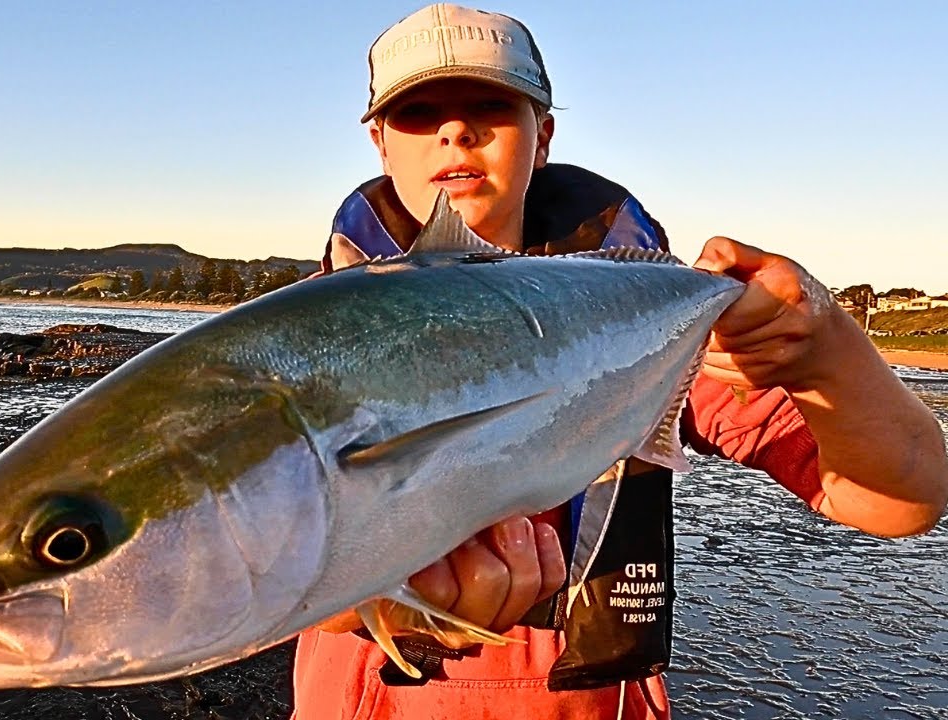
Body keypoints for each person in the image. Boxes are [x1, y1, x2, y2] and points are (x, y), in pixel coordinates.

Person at [291, 4, 948, 719]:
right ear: (381, 142)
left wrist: (827, 351)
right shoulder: (298, 341)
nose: (456, 129)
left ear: (541, 137)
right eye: (419, 112)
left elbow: (901, 501)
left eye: (490, 105)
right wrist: (334, 594)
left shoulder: (647, 325)